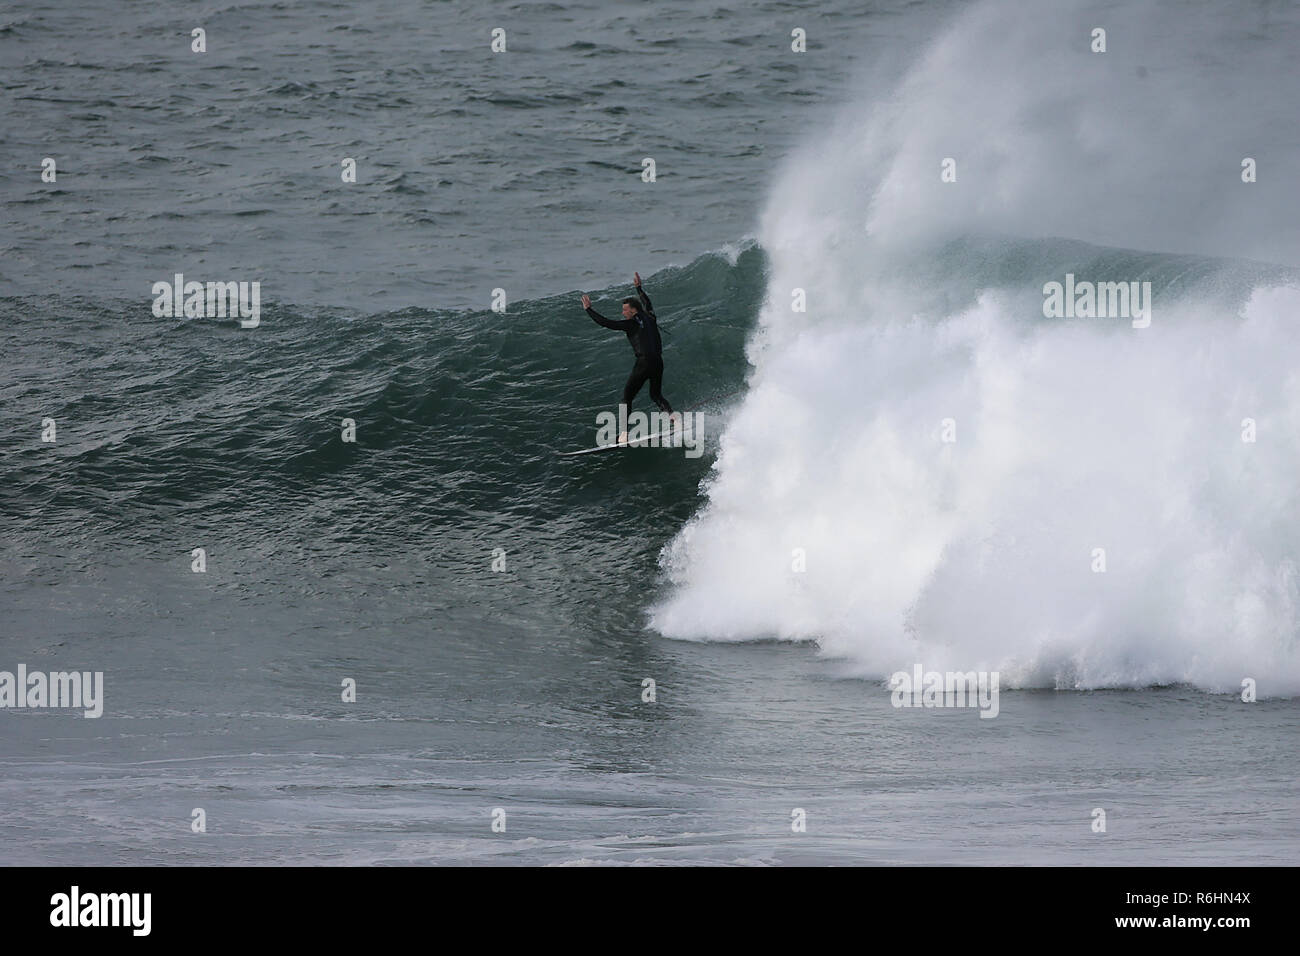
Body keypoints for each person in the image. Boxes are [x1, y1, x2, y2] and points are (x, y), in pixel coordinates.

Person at [581, 272, 678, 444]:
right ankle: (674, 419)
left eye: (625, 309)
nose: (623, 312)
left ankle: (624, 434)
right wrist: (638, 287)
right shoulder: (650, 316)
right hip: (658, 361)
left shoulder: (631, 323)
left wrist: (589, 309)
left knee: (627, 397)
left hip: (644, 362)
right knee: (656, 395)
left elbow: (606, 322)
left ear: (633, 311)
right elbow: (647, 302)